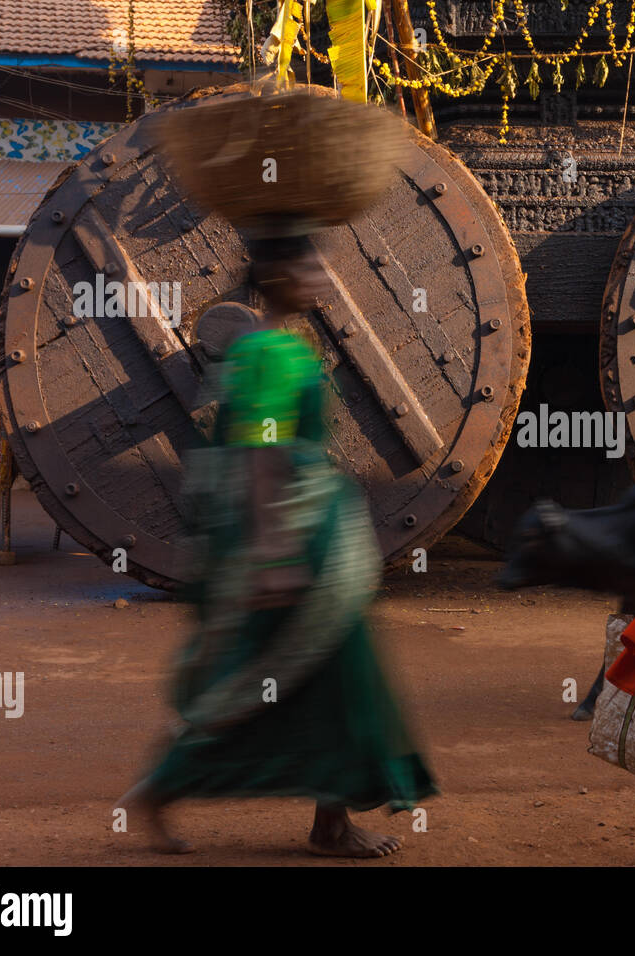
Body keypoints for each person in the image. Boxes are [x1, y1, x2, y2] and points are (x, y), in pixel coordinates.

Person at [118, 232, 436, 858]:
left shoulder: (277, 347)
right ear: (277, 275)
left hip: (311, 534)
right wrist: (276, 553)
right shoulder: (269, 353)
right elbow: (262, 454)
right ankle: (164, 788)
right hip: (293, 541)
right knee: (286, 677)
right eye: (308, 263)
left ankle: (327, 821)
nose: (321, 272)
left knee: (318, 679)